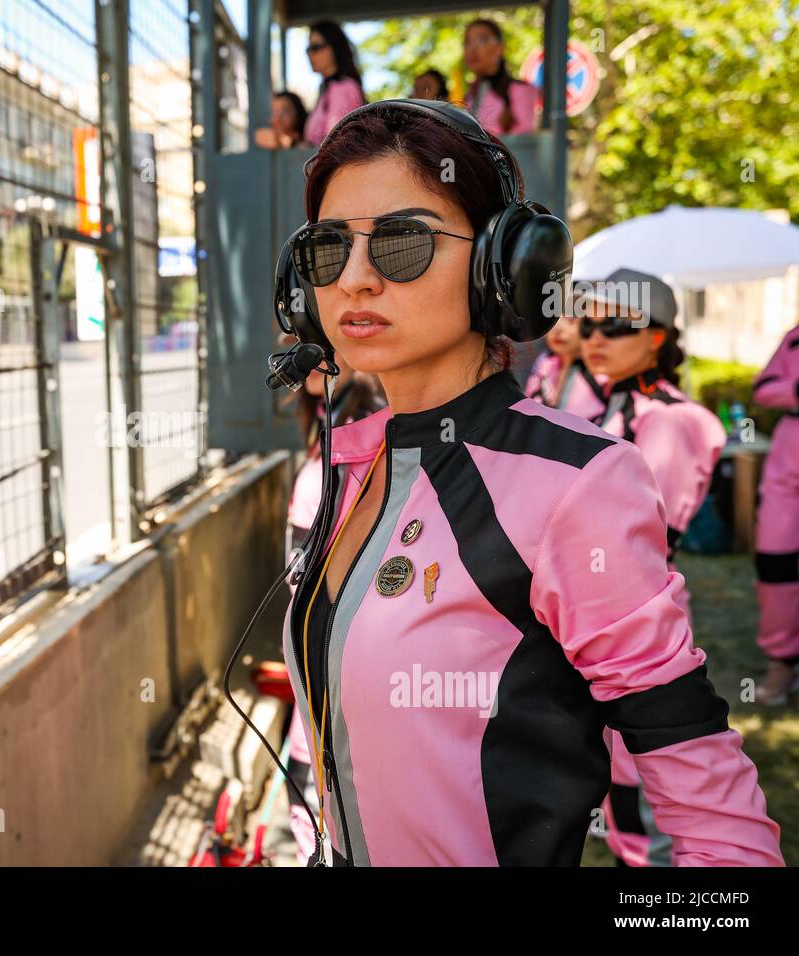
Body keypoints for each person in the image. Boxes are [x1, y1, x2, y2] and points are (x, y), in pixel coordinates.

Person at [279, 99, 782, 866]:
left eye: (403, 242)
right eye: (327, 248)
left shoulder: (577, 483)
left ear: (504, 269)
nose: (354, 279)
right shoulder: (350, 464)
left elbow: (711, 807)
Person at [576, 269, 729, 867]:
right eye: (588, 325)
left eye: (615, 325)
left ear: (658, 336)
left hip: (637, 613)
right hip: (592, 610)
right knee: (614, 769)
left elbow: (643, 534)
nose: (595, 338)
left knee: (643, 776)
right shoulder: (611, 403)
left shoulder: (673, 419)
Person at [282, 359, 383, 866]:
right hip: (319, 668)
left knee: (322, 802)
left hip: (345, 678)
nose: (305, 361)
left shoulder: (368, 429)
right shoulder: (328, 420)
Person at [752, 322, 799, 704]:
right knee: (775, 562)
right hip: (787, 466)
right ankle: (780, 664)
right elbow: (763, 389)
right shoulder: (794, 336)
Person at [523, 296, 605, 419]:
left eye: (571, 317)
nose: (557, 328)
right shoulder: (544, 363)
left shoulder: (603, 373)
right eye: (550, 318)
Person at [463, 18, 536, 136]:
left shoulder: (520, 90)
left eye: (481, 40)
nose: (472, 49)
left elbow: (523, 140)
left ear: (499, 48)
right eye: (467, 42)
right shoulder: (468, 95)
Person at [297, 21, 366, 146]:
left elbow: (334, 142)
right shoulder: (328, 88)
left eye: (315, 47)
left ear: (335, 48)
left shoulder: (343, 87)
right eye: (308, 49)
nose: (310, 54)